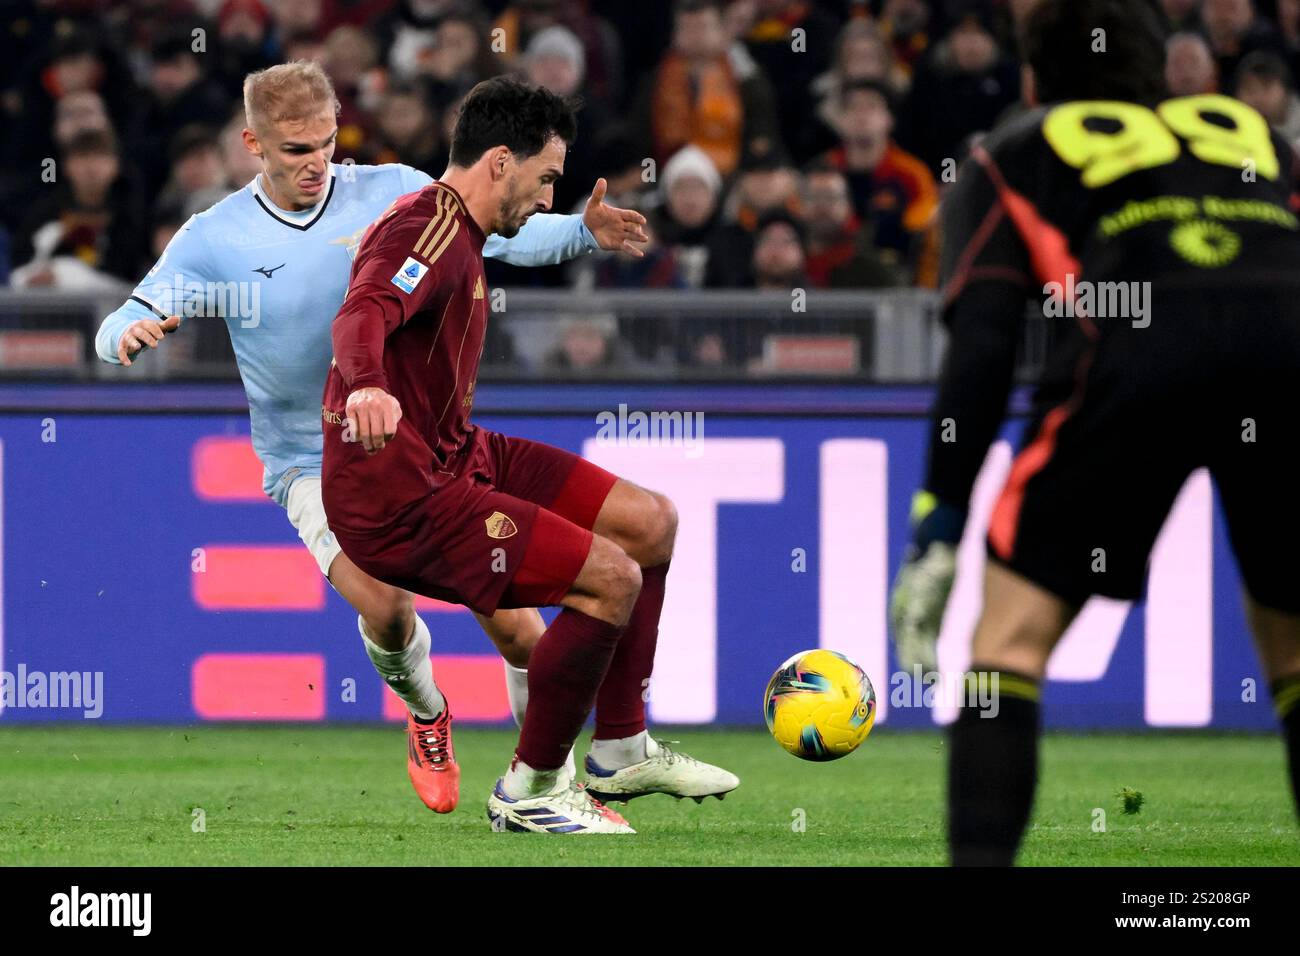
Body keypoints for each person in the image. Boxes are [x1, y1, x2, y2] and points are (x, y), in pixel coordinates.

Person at [95, 61, 651, 817]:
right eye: (295, 149)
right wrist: (126, 331)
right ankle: (428, 715)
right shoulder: (213, 238)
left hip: (423, 449)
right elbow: (122, 313)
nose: (316, 161)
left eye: (326, 141)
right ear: (253, 143)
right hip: (310, 463)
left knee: (524, 635)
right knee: (387, 609)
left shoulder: (389, 192)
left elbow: (495, 232)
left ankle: (552, 790)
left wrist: (579, 233)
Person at [889, 0, 1300, 865]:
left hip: (1137, 360)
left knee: (1006, 646)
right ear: (1166, 77)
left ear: (1035, 81)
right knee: (1294, 650)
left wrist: (940, 522)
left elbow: (984, 352)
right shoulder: (1255, 137)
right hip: (1289, 357)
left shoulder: (1013, 156)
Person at [320, 76, 739, 835]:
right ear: (500, 161)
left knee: (650, 524)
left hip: (457, 454)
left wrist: (584, 230)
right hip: (399, 494)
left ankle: (619, 746)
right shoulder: (425, 230)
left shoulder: (463, 231)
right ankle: (533, 787)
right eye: (547, 178)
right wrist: (369, 386)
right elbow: (361, 314)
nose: (548, 198)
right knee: (608, 579)